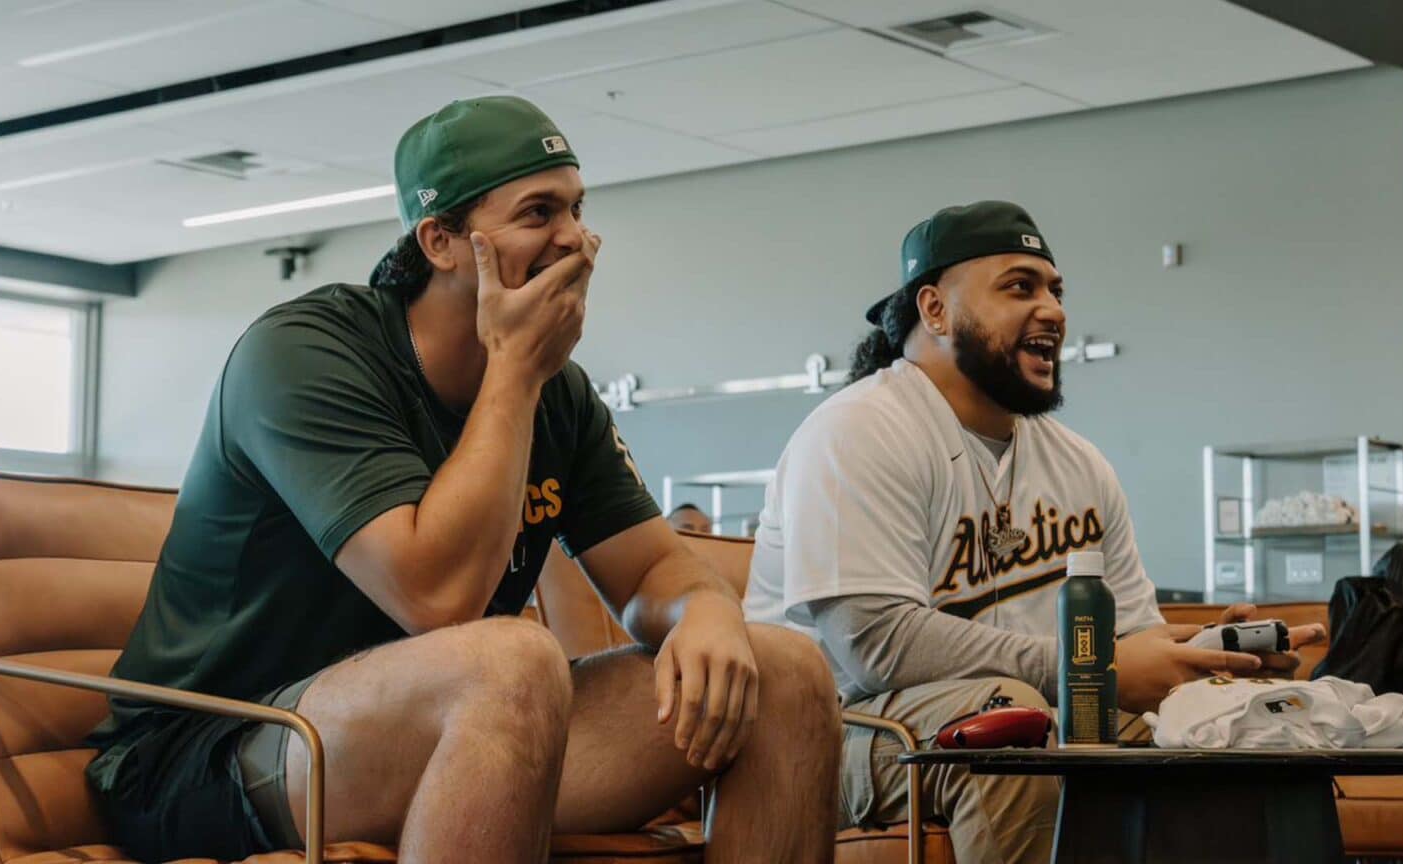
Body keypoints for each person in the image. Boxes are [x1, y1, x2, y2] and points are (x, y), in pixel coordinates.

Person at [86, 96, 840, 864]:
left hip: (459, 726)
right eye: (538, 213)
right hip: (220, 750)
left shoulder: (560, 393)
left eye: (578, 209)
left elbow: (651, 567)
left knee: (785, 668)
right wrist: (511, 371)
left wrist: (704, 609)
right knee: (509, 658)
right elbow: (438, 602)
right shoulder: (304, 354)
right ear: (441, 241)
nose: (575, 240)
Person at [743, 201, 1325, 863]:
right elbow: (875, 643)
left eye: (1056, 290)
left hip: (1026, 709)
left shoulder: (1077, 462)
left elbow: (1129, 635)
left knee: (1228, 737)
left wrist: (1211, 662)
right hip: (833, 733)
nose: (1053, 309)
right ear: (934, 310)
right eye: (1020, 287)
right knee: (1014, 723)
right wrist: (1093, 669)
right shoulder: (859, 429)